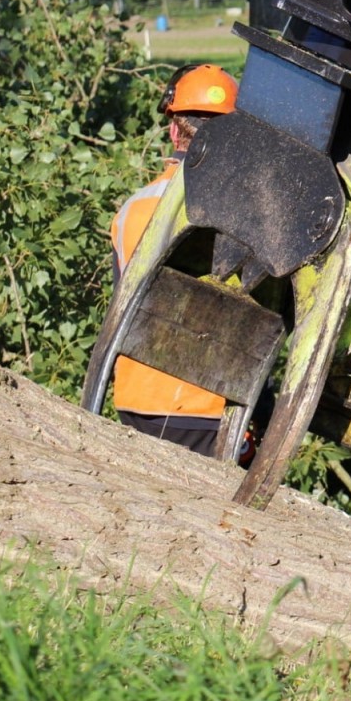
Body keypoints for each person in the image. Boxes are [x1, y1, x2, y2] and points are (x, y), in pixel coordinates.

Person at [110, 63, 239, 457]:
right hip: (214, 411)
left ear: (173, 130)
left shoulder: (132, 210)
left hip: (137, 400)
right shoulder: (246, 215)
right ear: (237, 139)